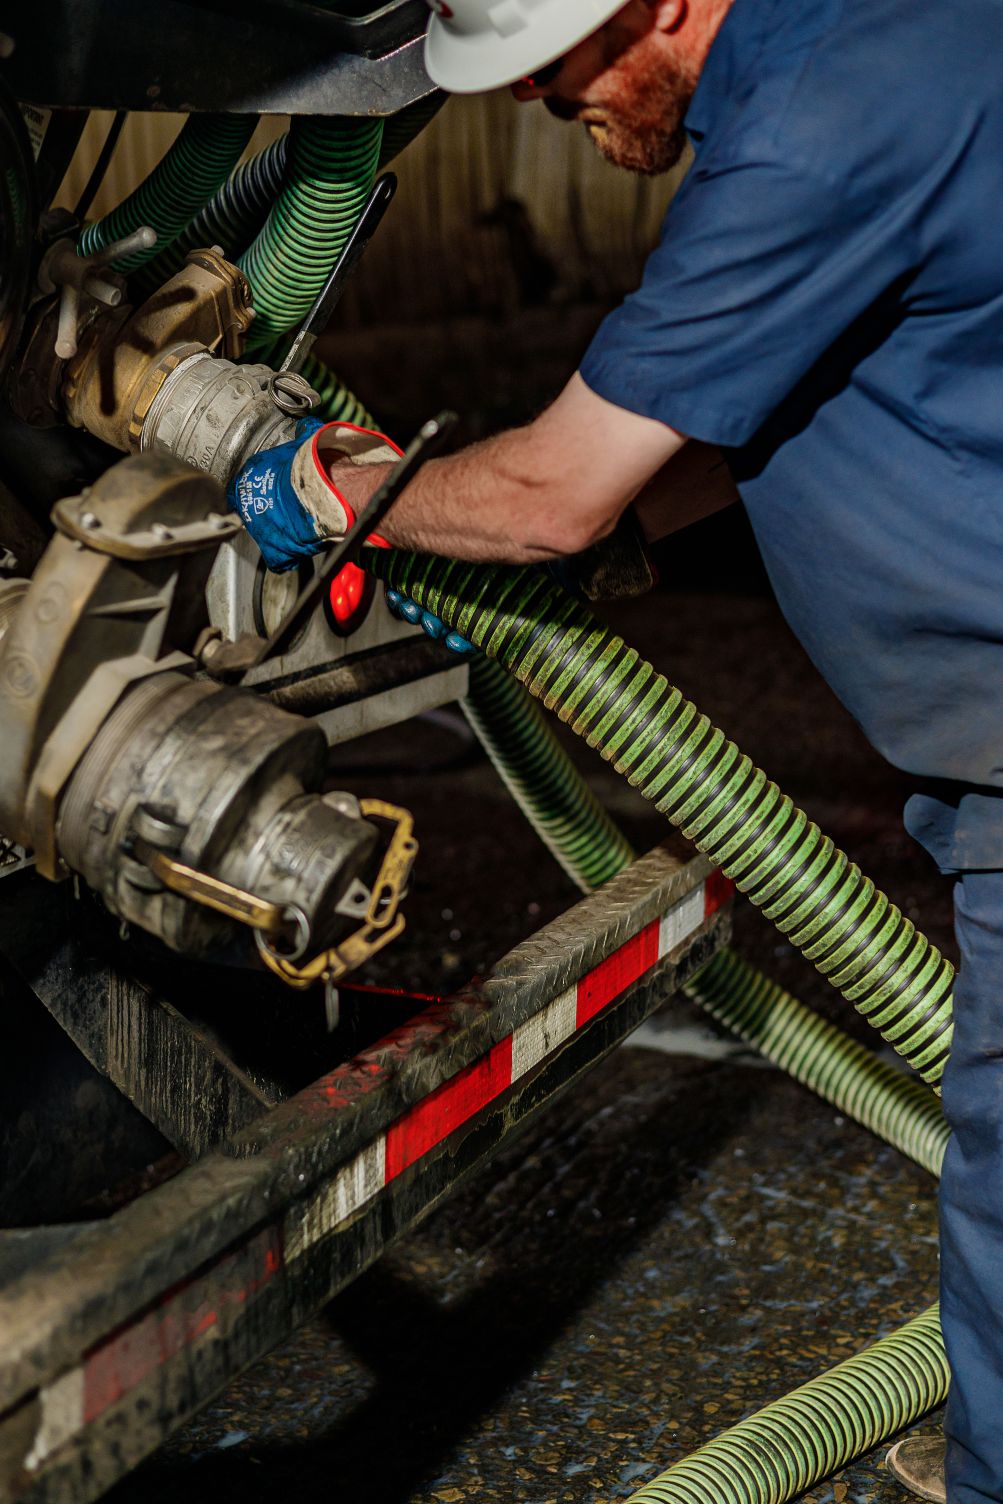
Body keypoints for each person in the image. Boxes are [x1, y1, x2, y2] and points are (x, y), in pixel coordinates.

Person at [230, 1, 1003, 1498]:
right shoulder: (882, 50)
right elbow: (791, 390)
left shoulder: (811, 130)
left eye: (548, 64)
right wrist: (606, 552)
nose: (534, 102)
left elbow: (547, 491)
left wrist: (336, 494)